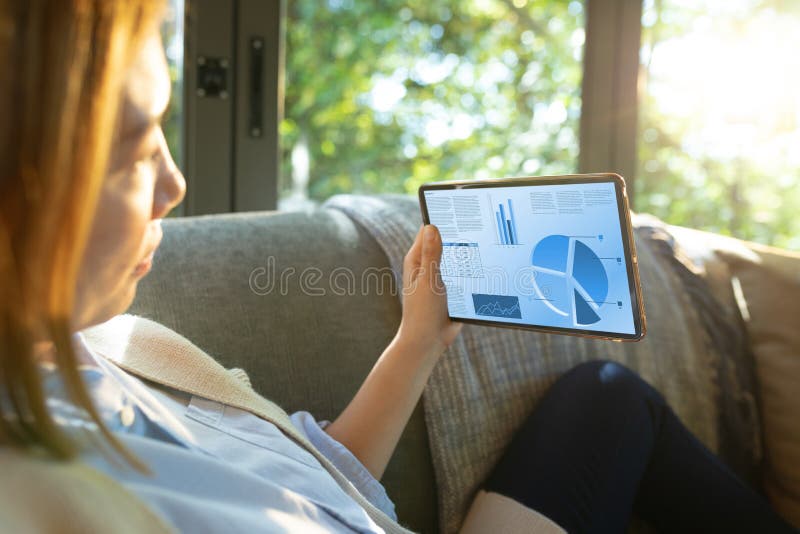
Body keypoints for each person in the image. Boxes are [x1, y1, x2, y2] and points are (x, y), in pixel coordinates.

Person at [0, 1, 796, 533]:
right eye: (137, 149)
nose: (175, 185)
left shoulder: (112, 348)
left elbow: (319, 476)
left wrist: (420, 337)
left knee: (608, 398)